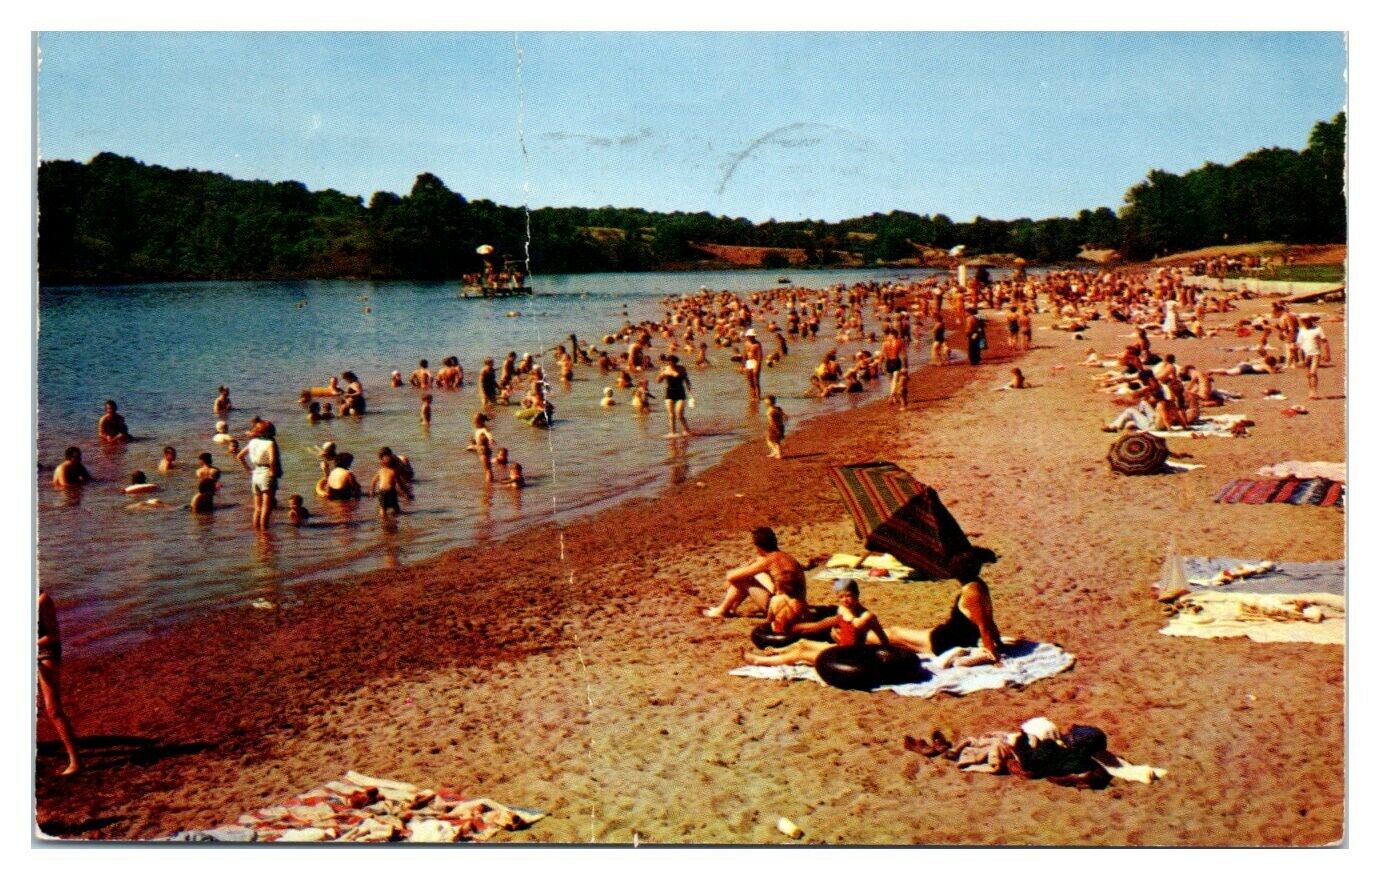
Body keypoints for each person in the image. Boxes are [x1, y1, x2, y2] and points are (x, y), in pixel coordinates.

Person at [883, 552, 1004, 663]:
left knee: (895, 633)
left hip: (943, 643)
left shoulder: (971, 593)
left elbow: (983, 626)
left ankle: (864, 637)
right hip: (949, 635)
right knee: (900, 636)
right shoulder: (979, 584)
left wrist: (993, 654)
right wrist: (999, 642)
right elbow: (989, 620)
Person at [739, 579, 889, 668]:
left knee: (801, 653)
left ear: (857, 595)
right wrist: (797, 629)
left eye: (848, 596)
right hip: (842, 649)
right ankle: (777, 651)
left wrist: (885, 654)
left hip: (852, 656)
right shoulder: (843, 610)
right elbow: (823, 624)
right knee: (803, 642)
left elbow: (881, 637)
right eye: (841, 597)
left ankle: (759, 660)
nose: (845, 600)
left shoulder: (867, 616)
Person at [703, 526, 806, 618]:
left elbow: (731, 577)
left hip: (782, 608)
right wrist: (754, 563)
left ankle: (721, 610)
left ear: (758, 547)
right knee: (757, 575)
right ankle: (732, 608)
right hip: (799, 605)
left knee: (743, 579)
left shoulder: (767, 561)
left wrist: (750, 566)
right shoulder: (787, 557)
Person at [37, 590, 80, 776]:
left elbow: (54, 635)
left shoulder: (42, 599)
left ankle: (76, 761)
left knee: (53, 709)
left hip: (47, 652)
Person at [236, 421, 282, 529]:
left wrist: (248, 469)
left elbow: (240, 456)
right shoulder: (270, 443)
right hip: (266, 472)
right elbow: (272, 460)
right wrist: (273, 472)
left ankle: (257, 531)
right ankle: (264, 531)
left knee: (257, 508)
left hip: (256, 473)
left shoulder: (253, 442)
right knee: (267, 507)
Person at [370, 450, 414, 519]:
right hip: (391, 491)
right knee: (395, 506)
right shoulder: (393, 472)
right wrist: (407, 493)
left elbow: (373, 481)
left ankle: (383, 519)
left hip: (381, 491)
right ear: (394, 464)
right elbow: (401, 484)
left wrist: (372, 491)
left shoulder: (380, 471)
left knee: (383, 508)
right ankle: (395, 518)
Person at [656, 354, 692, 437]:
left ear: (676, 362)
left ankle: (687, 431)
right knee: (671, 414)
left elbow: (686, 379)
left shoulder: (681, 368)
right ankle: (672, 433)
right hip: (669, 392)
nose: (670, 363)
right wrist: (661, 374)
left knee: (680, 414)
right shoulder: (665, 369)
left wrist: (690, 390)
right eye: (669, 362)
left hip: (680, 392)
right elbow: (658, 381)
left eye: (672, 362)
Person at [1297, 315, 1331, 400]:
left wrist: (1327, 354)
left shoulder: (1318, 329)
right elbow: (1299, 344)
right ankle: (1310, 390)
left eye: (1305, 320)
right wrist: (1300, 359)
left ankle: (1314, 392)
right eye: (1302, 320)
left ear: (1310, 320)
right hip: (1305, 354)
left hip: (1315, 353)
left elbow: (1325, 341)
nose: (1303, 322)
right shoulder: (1301, 330)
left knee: (1313, 373)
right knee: (1308, 374)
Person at [469, 413, 495, 481]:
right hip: (481, 450)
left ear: (481, 421)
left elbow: (488, 434)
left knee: (487, 469)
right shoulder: (479, 430)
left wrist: (491, 439)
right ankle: (489, 482)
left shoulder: (484, 429)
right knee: (486, 468)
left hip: (484, 450)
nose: (474, 424)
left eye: (475, 422)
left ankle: (489, 483)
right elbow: (478, 440)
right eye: (473, 422)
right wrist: (473, 443)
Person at [742, 328, 763, 399]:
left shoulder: (757, 344)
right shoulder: (746, 344)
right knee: (750, 381)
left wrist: (757, 366)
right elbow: (744, 355)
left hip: (755, 362)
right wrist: (743, 365)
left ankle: (758, 397)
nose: (750, 337)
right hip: (749, 362)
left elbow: (760, 357)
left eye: (751, 336)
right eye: (749, 336)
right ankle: (752, 396)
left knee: (756, 381)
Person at [765, 394, 787, 459]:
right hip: (780, 426)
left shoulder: (769, 411)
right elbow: (785, 416)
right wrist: (783, 423)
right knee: (773, 440)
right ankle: (775, 452)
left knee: (774, 441)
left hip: (774, 427)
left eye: (766, 402)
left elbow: (771, 421)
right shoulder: (778, 408)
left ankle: (779, 454)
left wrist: (774, 428)